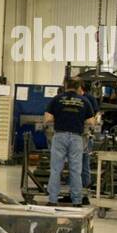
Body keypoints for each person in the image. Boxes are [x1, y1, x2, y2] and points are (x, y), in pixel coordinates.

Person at [43, 78, 99, 206]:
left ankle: (52, 200)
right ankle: (77, 201)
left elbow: (47, 119)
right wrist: (78, 119)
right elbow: (91, 122)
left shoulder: (56, 99)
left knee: (56, 169)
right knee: (75, 170)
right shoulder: (84, 101)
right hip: (76, 138)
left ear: (65, 85)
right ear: (78, 86)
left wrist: (59, 117)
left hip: (60, 136)